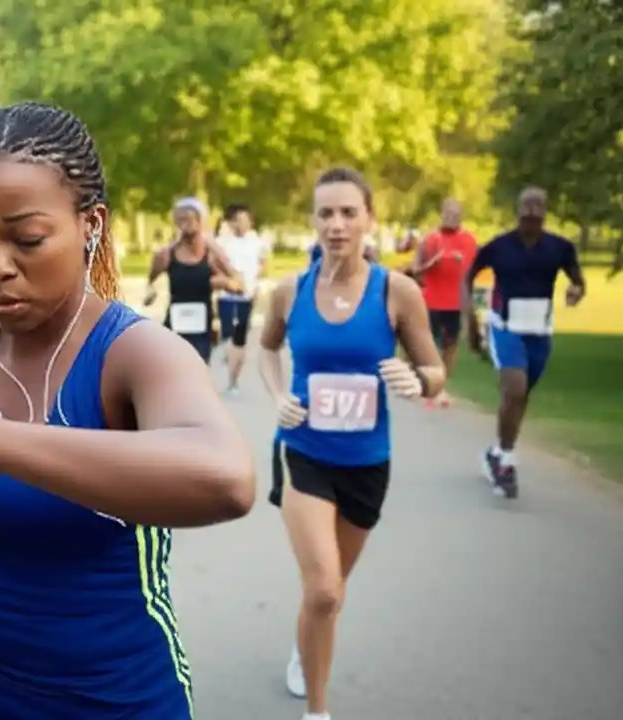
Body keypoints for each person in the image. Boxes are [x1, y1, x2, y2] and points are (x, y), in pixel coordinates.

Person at [0, 101, 256, 720]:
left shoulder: (135, 354)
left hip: (112, 697)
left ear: (89, 223)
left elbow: (226, 479)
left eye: (27, 238)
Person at [258, 167, 445, 720]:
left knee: (331, 590)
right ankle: (318, 712)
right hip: (303, 454)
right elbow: (267, 350)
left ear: (369, 219)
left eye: (348, 212)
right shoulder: (289, 291)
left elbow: (434, 368)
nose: (336, 224)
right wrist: (276, 397)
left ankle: (305, 647)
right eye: (325, 213)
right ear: (312, 221)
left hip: (367, 463)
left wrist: (420, 382)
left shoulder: (397, 291)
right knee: (324, 592)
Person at [465, 186, 584, 499]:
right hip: (505, 327)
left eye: (538, 206)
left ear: (546, 211)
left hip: (540, 333)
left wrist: (575, 291)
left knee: (519, 397)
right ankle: (506, 461)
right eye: (527, 206)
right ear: (517, 210)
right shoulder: (499, 247)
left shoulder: (560, 248)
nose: (532, 211)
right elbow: (468, 278)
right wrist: (472, 323)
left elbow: (577, 279)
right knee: (514, 389)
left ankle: (498, 452)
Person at [143, 196, 242, 362]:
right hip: (175, 324)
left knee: (198, 369)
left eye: (190, 219)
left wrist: (223, 283)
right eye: (181, 219)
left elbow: (238, 284)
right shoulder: (166, 254)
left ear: (201, 221)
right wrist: (150, 293)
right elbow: (150, 282)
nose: (186, 224)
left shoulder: (212, 254)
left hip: (202, 326)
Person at [411, 198, 479, 408]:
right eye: (448, 213)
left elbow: (474, 271)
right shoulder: (430, 239)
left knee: (450, 346)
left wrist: (463, 264)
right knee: (430, 346)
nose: (452, 218)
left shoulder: (469, 241)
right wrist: (433, 262)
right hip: (431, 301)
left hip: (455, 302)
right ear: (441, 214)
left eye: (456, 214)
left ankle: (441, 387)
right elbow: (415, 270)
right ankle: (430, 386)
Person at [215, 203, 269, 395]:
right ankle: (227, 356)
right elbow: (215, 265)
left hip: (247, 295)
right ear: (232, 222)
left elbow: (264, 265)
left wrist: (257, 285)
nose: (242, 224)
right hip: (227, 295)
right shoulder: (222, 242)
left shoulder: (257, 241)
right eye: (238, 220)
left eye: (246, 220)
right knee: (228, 334)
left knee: (240, 339)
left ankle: (233, 381)